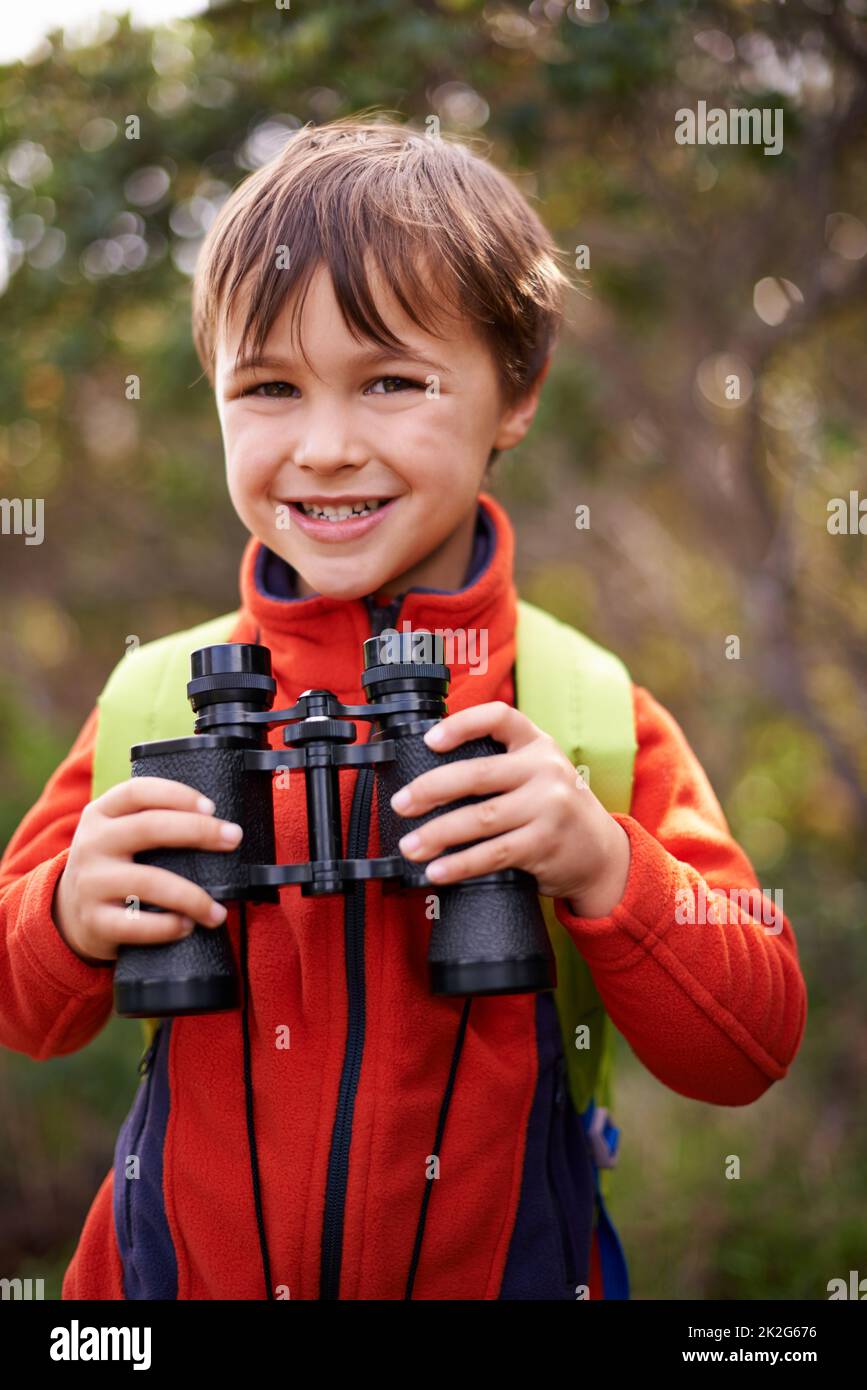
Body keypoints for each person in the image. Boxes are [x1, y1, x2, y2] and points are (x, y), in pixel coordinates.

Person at [0, 115, 807, 1301]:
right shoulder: (152, 699)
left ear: (515, 394)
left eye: (391, 382)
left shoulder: (578, 710)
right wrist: (64, 914)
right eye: (268, 387)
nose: (325, 448)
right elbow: (25, 1014)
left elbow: (751, 1042)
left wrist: (600, 864)